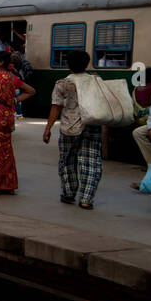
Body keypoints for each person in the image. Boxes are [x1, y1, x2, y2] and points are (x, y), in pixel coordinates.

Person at [43, 50, 103, 210]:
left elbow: (55, 107)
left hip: (68, 126)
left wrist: (48, 128)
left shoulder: (62, 83)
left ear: (68, 64)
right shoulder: (95, 80)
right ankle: (86, 199)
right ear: (87, 64)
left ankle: (69, 193)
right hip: (91, 125)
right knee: (91, 162)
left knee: (67, 160)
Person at [0, 49, 34, 194]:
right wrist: (15, 100)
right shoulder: (12, 77)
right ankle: (9, 185)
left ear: (1, 63)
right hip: (8, 116)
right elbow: (31, 91)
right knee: (7, 150)